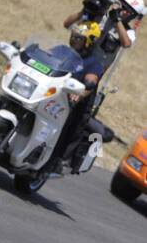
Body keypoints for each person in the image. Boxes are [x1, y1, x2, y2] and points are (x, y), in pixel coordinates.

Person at [47, 20, 114, 171]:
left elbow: (91, 82)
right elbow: (46, 56)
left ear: (88, 42)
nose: (73, 39)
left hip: (74, 106)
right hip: (53, 96)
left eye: (78, 37)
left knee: (66, 133)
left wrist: (80, 93)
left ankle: (56, 162)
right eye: (73, 35)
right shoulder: (62, 50)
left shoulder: (93, 63)